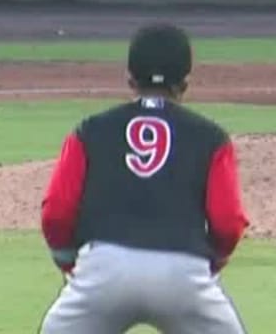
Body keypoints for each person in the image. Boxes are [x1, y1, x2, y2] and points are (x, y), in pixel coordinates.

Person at [36, 24, 249, 333]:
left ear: (130, 80)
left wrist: (69, 262)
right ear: (185, 83)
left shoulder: (91, 130)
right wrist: (209, 266)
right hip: (182, 272)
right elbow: (228, 223)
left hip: (104, 270)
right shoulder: (211, 138)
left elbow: (57, 211)